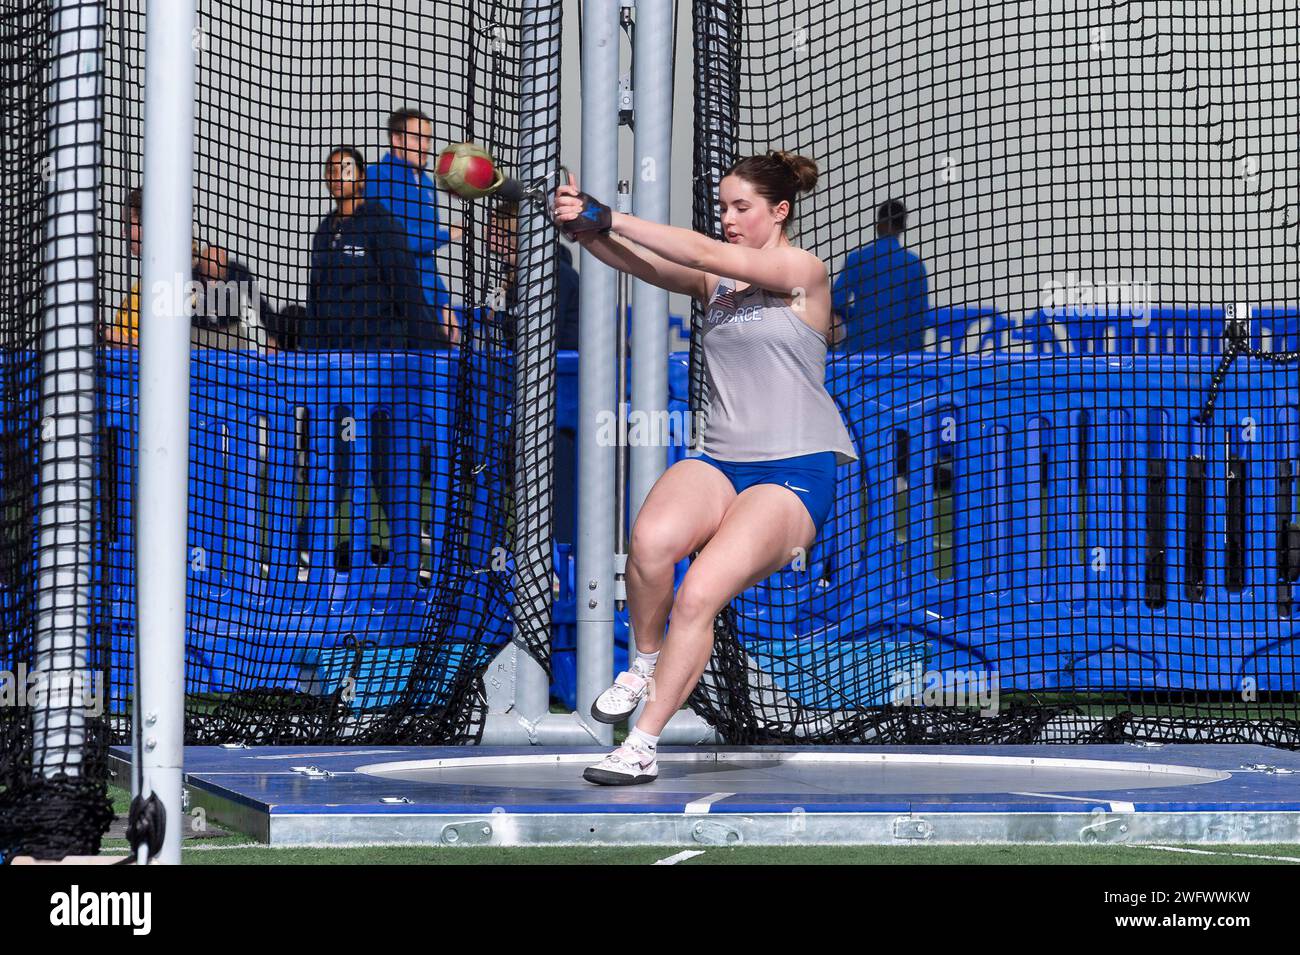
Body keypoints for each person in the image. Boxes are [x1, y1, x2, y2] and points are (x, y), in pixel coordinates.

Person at [553, 150, 858, 785]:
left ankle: (640, 744)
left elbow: (703, 253)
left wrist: (613, 214)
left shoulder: (804, 271)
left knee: (698, 596)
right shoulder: (716, 282)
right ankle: (643, 663)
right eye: (722, 207)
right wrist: (587, 231)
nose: (728, 218)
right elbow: (646, 264)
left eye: (741, 207)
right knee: (650, 542)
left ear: (780, 211)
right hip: (720, 457)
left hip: (793, 471)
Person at [106, 186, 284, 350]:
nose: (124, 232)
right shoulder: (159, 278)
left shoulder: (174, 281)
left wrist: (104, 334)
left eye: (129, 224)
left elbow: (155, 349)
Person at [304, 146, 441, 349]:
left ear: (362, 178)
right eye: (332, 171)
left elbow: (407, 290)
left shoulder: (381, 224)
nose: (338, 177)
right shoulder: (324, 232)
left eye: (346, 170)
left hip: (378, 355)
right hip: (332, 356)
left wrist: (437, 352)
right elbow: (315, 299)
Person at [364, 107, 462, 345]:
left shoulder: (427, 184)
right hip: (389, 307)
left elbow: (426, 258)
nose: (425, 145)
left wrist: (444, 304)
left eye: (428, 139)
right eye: (417, 138)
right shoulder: (376, 178)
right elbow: (393, 241)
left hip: (427, 305)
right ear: (396, 139)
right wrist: (446, 234)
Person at [829, 198, 930, 352]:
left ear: (878, 225)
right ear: (903, 227)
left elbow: (835, 301)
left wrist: (858, 316)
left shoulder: (858, 259)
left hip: (860, 350)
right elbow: (919, 317)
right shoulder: (915, 265)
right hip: (902, 355)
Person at [487, 199, 580, 350]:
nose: (490, 239)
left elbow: (546, 338)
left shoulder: (557, 275)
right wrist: (497, 303)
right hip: (520, 363)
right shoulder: (506, 274)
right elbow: (493, 322)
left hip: (567, 367)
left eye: (500, 233)